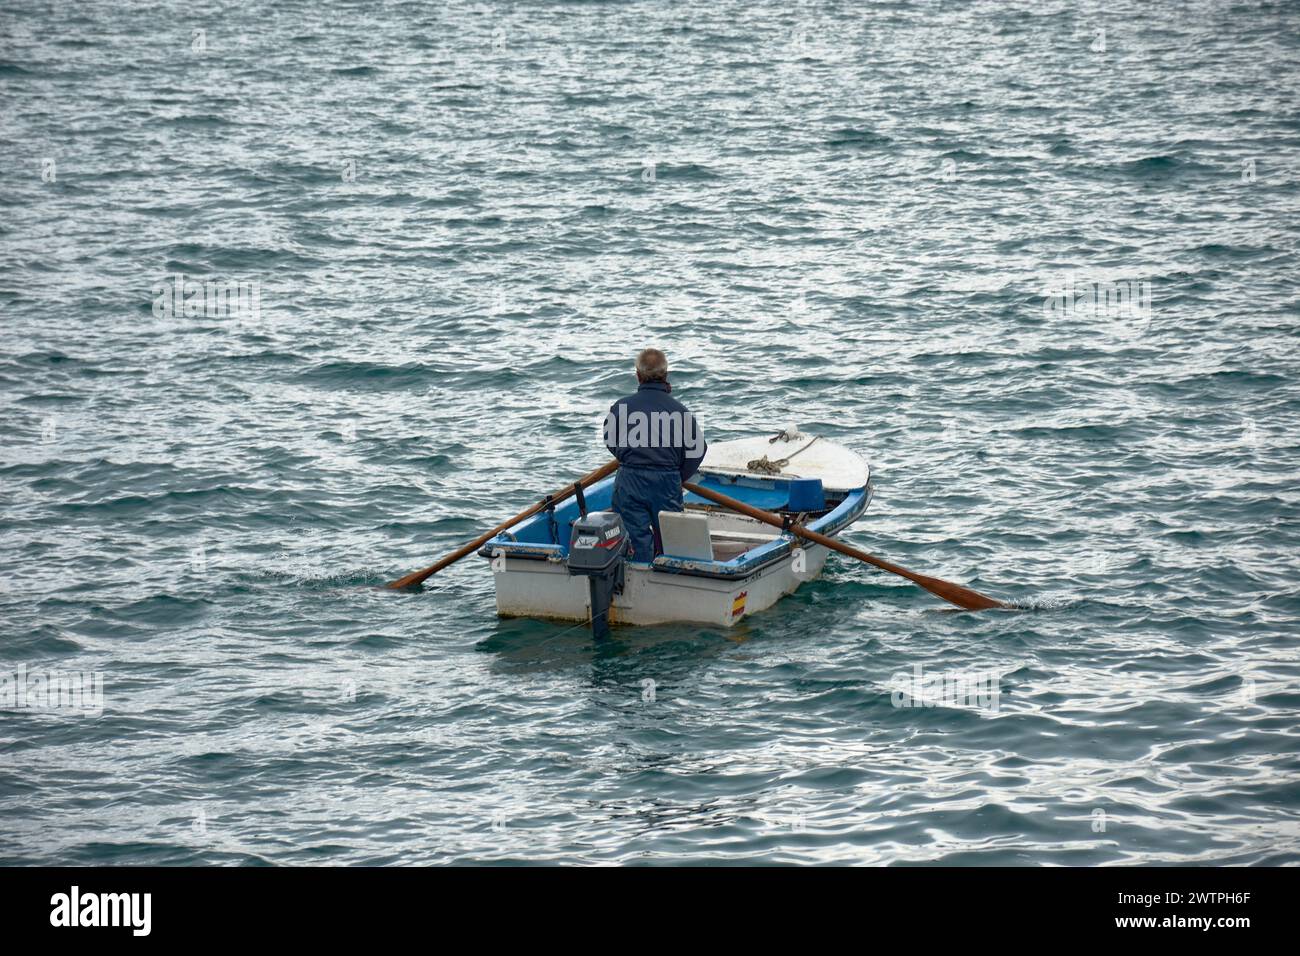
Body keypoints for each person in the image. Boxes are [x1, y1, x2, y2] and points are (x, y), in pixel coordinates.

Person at [602, 348, 707, 563]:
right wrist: (678, 475)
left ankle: (638, 578)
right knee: (671, 540)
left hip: (630, 480)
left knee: (635, 540)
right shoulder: (680, 411)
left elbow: (610, 440)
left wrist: (628, 458)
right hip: (667, 481)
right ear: (666, 374)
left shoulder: (621, 407)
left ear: (638, 375)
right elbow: (698, 450)